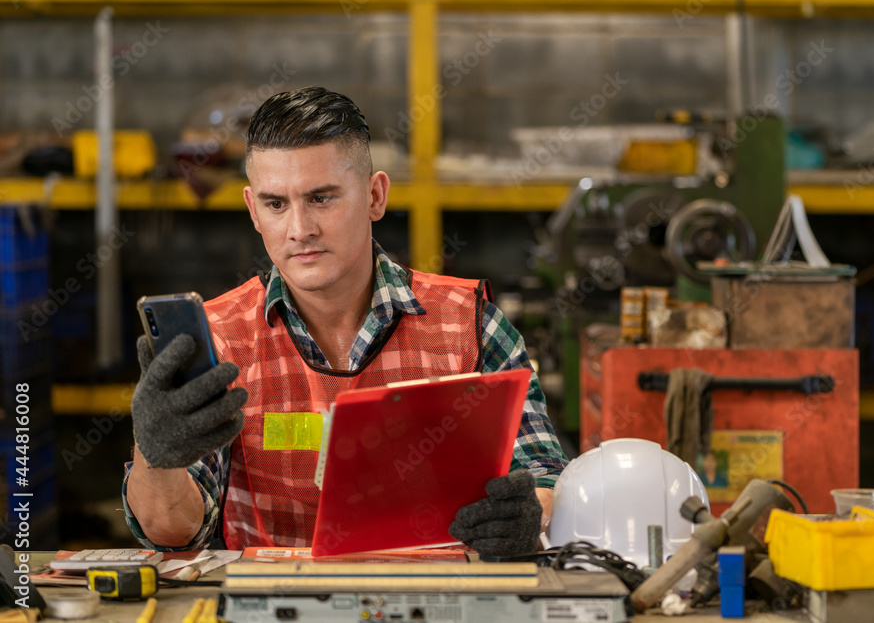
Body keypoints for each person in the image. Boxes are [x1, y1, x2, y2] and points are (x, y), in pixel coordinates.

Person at [122, 87, 568, 555]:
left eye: (321, 198)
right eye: (277, 204)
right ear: (253, 210)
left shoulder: (470, 324)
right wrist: (156, 456)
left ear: (375, 196)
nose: (300, 229)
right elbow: (174, 533)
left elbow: (543, 471)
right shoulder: (219, 341)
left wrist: (530, 512)